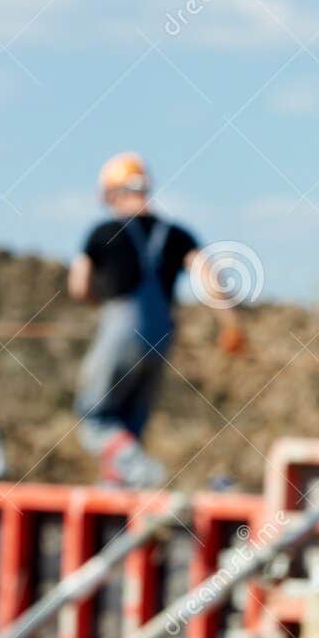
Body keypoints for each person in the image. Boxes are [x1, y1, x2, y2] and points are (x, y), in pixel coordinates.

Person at [68, 153, 243, 487]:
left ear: (112, 193)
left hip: (121, 331)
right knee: (131, 424)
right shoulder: (177, 235)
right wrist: (230, 324)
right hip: (161, 336)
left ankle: (143, 473)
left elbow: (78, 287)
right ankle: (118, 491)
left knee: (95, 419)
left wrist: (99, 304)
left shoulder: (103, 232)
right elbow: (209, 278)